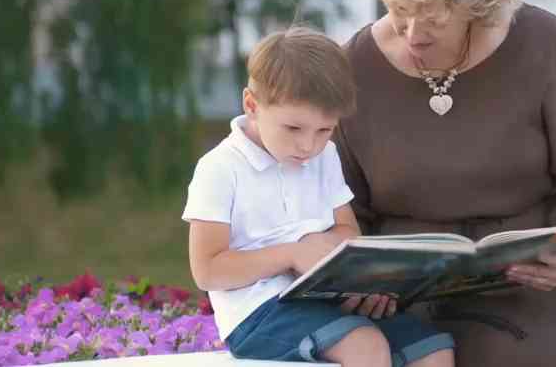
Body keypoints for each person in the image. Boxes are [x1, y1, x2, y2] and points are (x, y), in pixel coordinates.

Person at [334, 0, 556, 367]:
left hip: (534, 285)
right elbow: (345, 206)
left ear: (478, 6)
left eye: (434, 20)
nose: (413, 34)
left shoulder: (541, 41)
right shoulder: (355, 64)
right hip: (407, 297)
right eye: (399, 12)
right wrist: (363, 275)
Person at [182, 27, 455, 367]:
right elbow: (207, 270)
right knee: (365, 347)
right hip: (257, 314)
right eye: (294, 129)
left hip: (326, 300)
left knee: (432, 347)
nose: (308, 145)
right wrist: (293, 254)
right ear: (252, 105)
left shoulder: (324, 155)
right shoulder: (220, 168)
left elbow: (347, 232)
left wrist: (359, 280)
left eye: (324, 130)